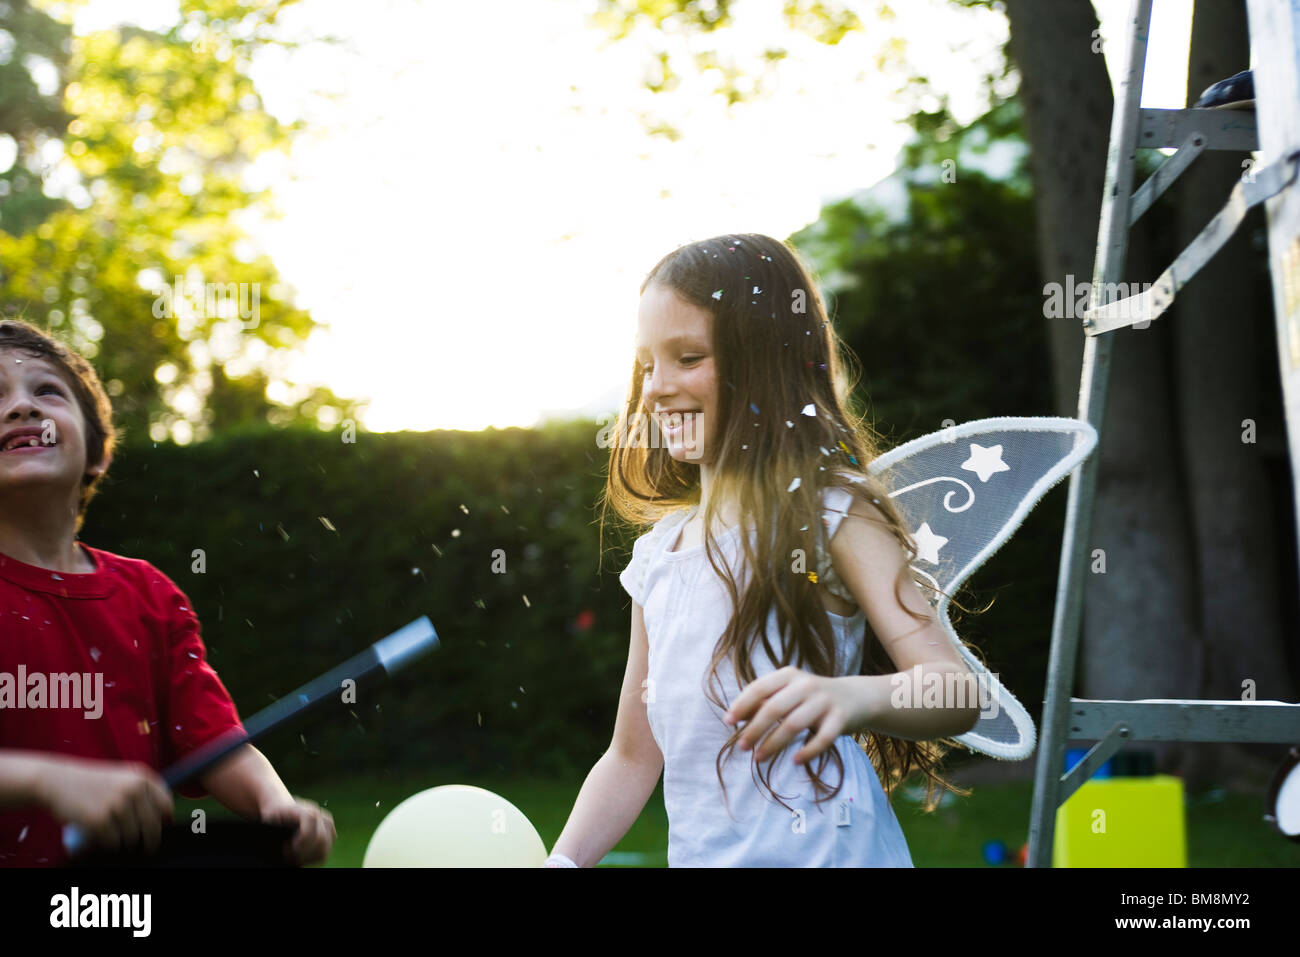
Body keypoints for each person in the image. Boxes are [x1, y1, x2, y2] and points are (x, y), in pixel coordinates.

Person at [548, 233, 983, 867]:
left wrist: (849, 696)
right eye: (649, 364)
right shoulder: (659, 558)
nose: (656, 388)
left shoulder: (832, 514)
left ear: (768, 363)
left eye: (688, 357)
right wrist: (561, 863)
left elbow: (954, 692)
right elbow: (633, 755)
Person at [0, 319, 335, 867]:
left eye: (47, 391)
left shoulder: (149, 596)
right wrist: (47, 781)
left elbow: (214, 742)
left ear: (98, 454)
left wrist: (275, 806)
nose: (21, 407)